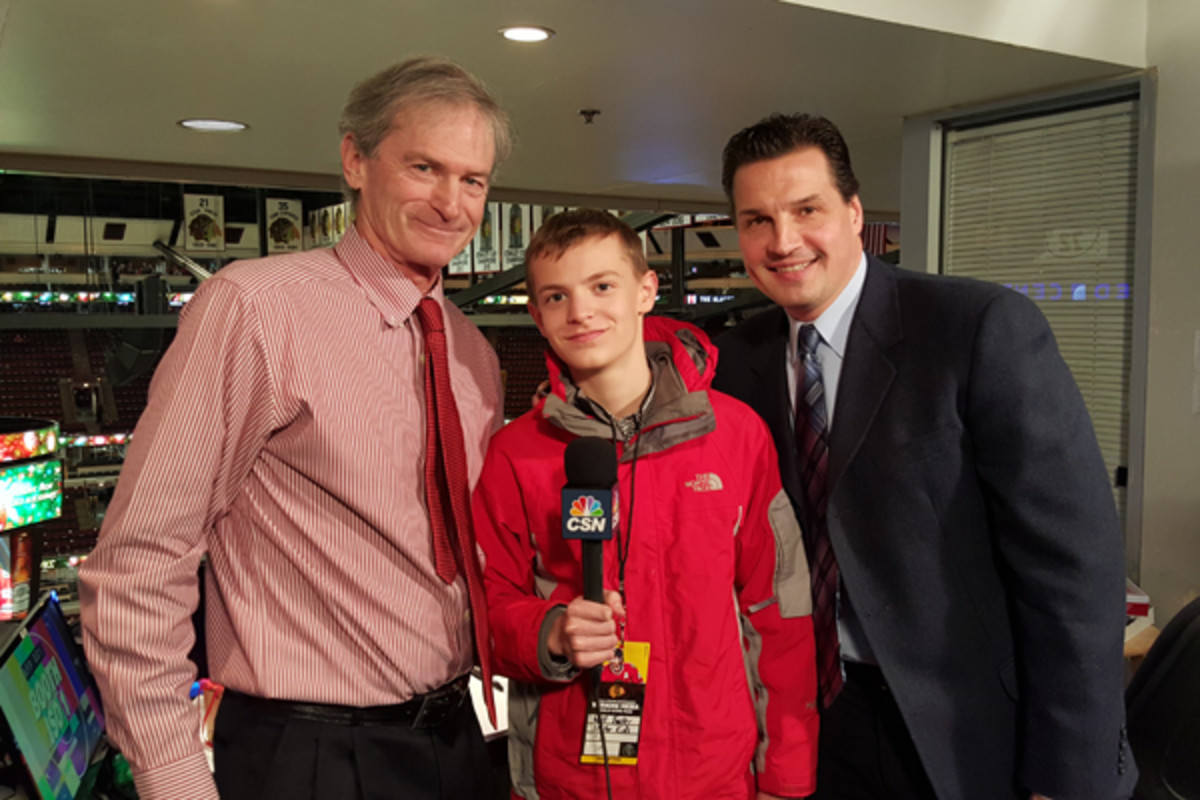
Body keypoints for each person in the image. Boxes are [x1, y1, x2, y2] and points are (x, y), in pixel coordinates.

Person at [78, 56, 512, 800]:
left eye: (472, 180)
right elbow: (141, 562)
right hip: (309, 756)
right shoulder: (256, 308)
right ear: (355, 160)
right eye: (424, 167)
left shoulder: (472, 351)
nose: (452, 202)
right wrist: (174, 778)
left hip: (458, 742)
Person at [713, 112, 1136, 800]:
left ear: (854, 214)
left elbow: (1074, 568)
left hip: (963, 735)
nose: (782, 240)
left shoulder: (978, 328)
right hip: (805, 726)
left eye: (806, 209)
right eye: (756, 219)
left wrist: (1072, 777)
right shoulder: (735, 360)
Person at [472, 208, 819, 800]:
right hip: (569, 779)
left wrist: (785, 780)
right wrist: (551, 631)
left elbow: (778, 612)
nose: (581, 312)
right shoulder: (515, 455)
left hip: (716, 775)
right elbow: (485, 612)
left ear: (646, 291)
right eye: (557, 297)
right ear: (536, 315)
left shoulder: (736, 436)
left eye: (602, 286)